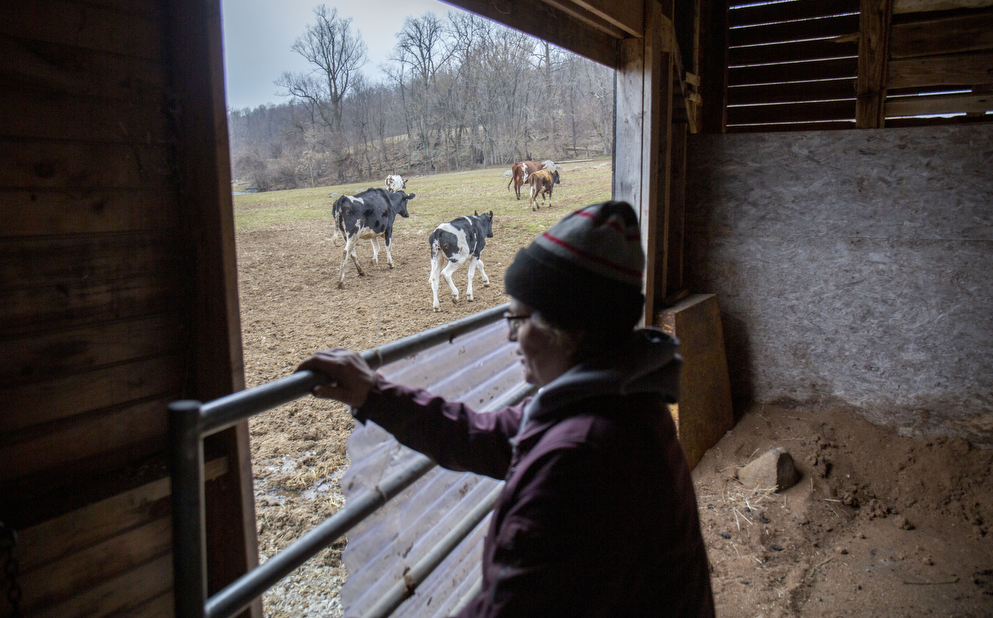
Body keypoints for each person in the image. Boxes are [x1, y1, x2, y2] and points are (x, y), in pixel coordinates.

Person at [297, 201, 715, 617]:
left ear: (567, 328)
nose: (510, 336)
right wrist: (373, 393)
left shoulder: (578, 461)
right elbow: (485, 435)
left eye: (518, 319)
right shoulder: (618, 403)